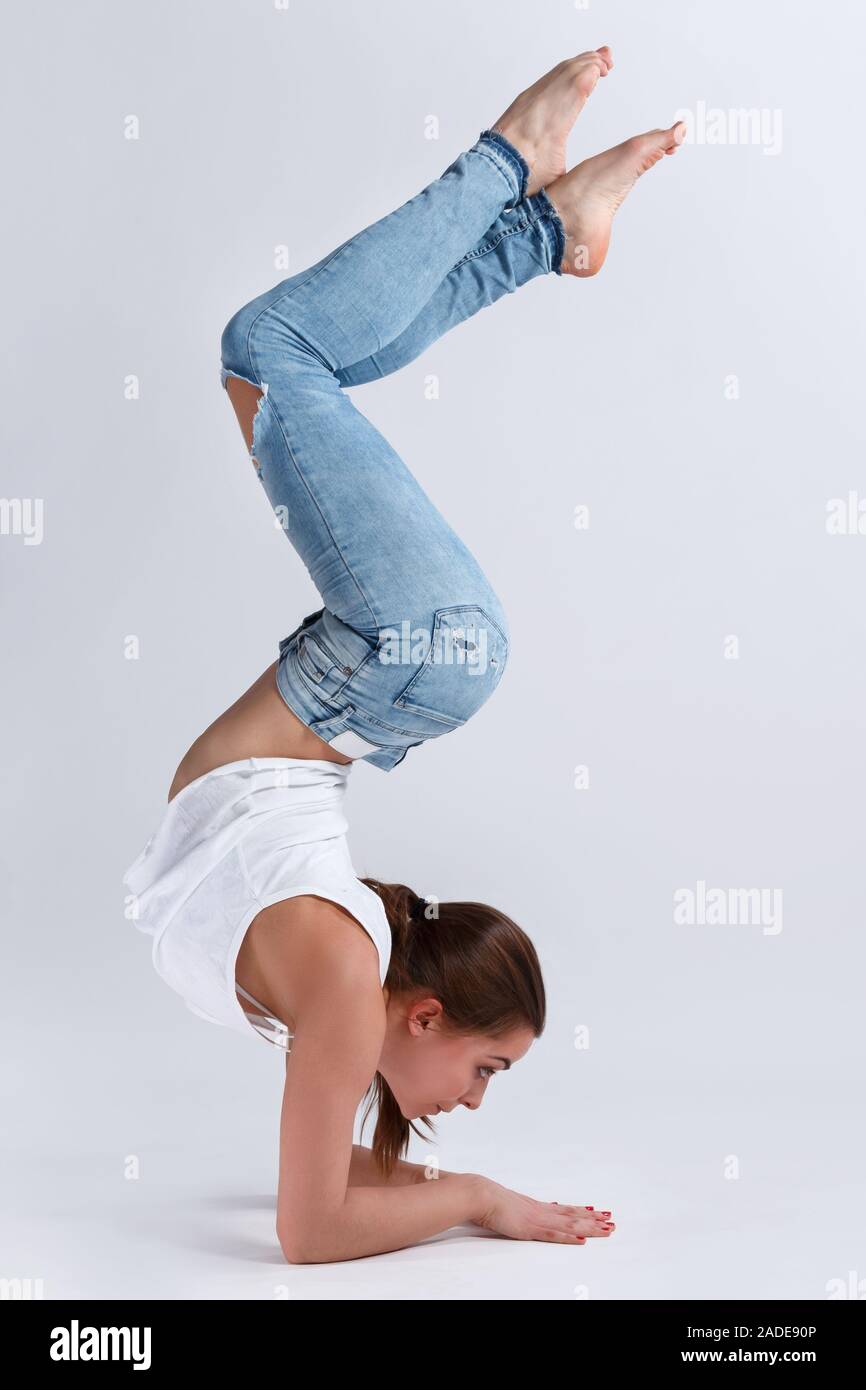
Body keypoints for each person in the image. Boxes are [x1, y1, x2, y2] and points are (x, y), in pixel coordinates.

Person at [122, 49, 684, 1262]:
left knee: (279, 355)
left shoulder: (335, 980)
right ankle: (514, 185)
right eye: (486, 1068)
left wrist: (468, 1190)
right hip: (405, 656)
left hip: (394, 663)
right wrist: (478, 1194)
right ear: (423, 1012)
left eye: (489, 1077)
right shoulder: (340, 970)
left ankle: (542, 222)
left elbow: (314, 1215)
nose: (472, 1102)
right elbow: (317, 1223)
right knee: (268, 350)